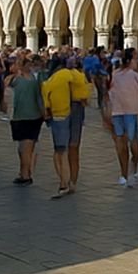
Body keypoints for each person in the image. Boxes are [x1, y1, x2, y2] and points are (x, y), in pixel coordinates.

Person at [41, 56, 93, 198]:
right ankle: (72, 182)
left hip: (61, 113)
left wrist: (47, 109)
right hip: (76, 111)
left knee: (60, 149)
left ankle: (64, 181)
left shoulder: (57, 77)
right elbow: (86, 93)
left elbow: (45, 91)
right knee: (74, 148)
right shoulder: (78, 77)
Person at [108, 52, 138, 186]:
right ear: (131, 61)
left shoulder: (115, 74)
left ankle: (123, 174)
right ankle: (133, 169)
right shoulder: (136, 75)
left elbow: (110, 88)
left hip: (117, 110)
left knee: (120, 141)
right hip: (132, 110)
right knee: (133, 140)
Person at [3, 54, 44, 185]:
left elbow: (5, 98)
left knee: (24, 148)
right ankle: (27, 172)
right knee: (29, 146)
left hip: (20, 116)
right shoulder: (36, 79)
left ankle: (25, 175)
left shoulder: (14, 81)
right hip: (35, 116)